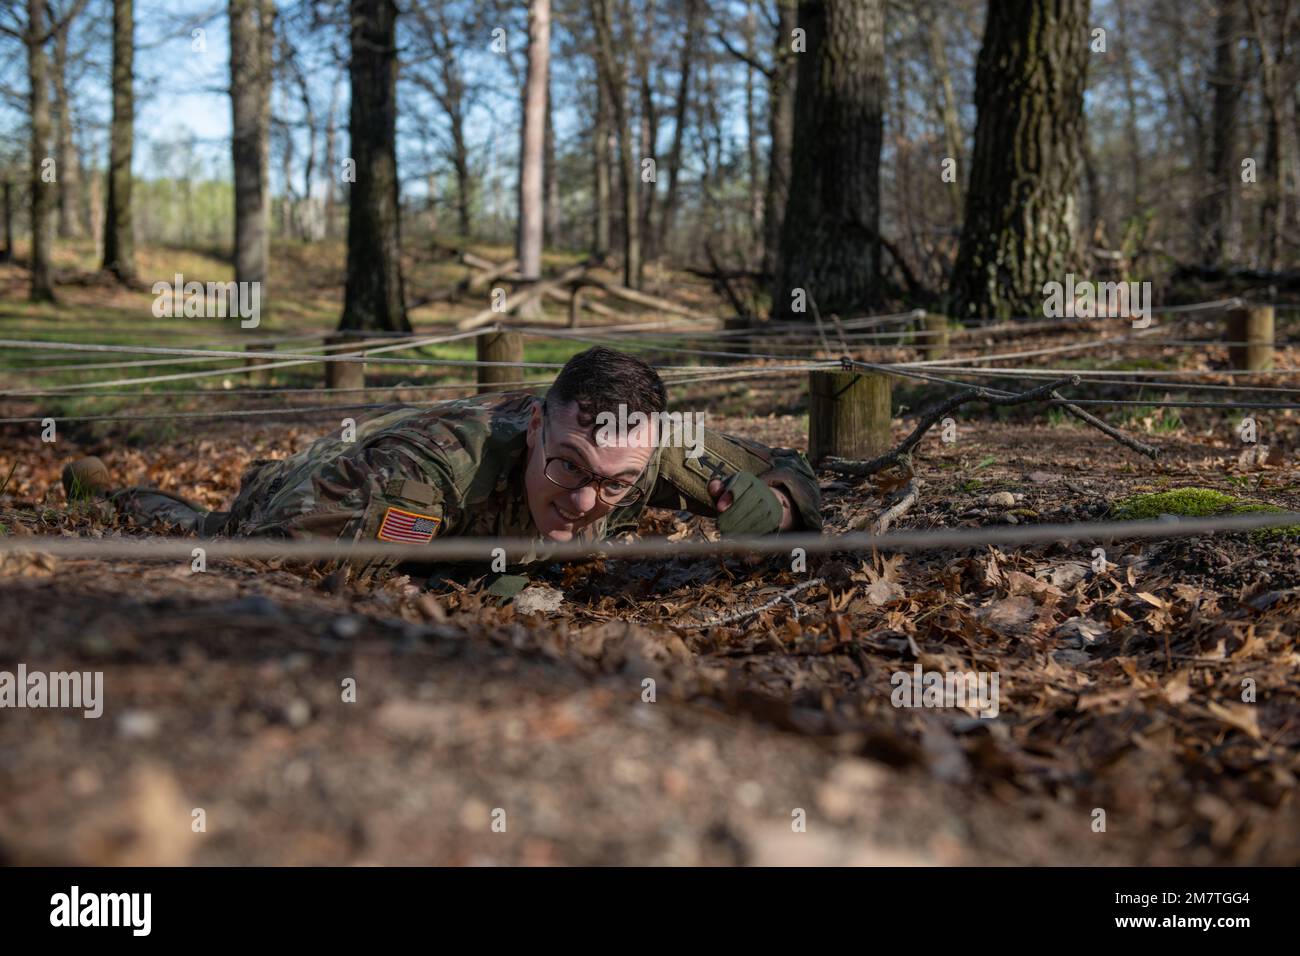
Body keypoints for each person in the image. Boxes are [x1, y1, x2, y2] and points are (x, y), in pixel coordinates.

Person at [62, 346, 822, 582]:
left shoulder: (654, 446)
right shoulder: (418, 478)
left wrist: (780, 510)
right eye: (567, 469)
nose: (590, 504)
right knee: (216, 531)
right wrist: (489, 584)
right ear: (535, 428)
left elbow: (790, 466)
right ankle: (111, 487)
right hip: (317, 484)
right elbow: (293, 579)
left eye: (616, 483)